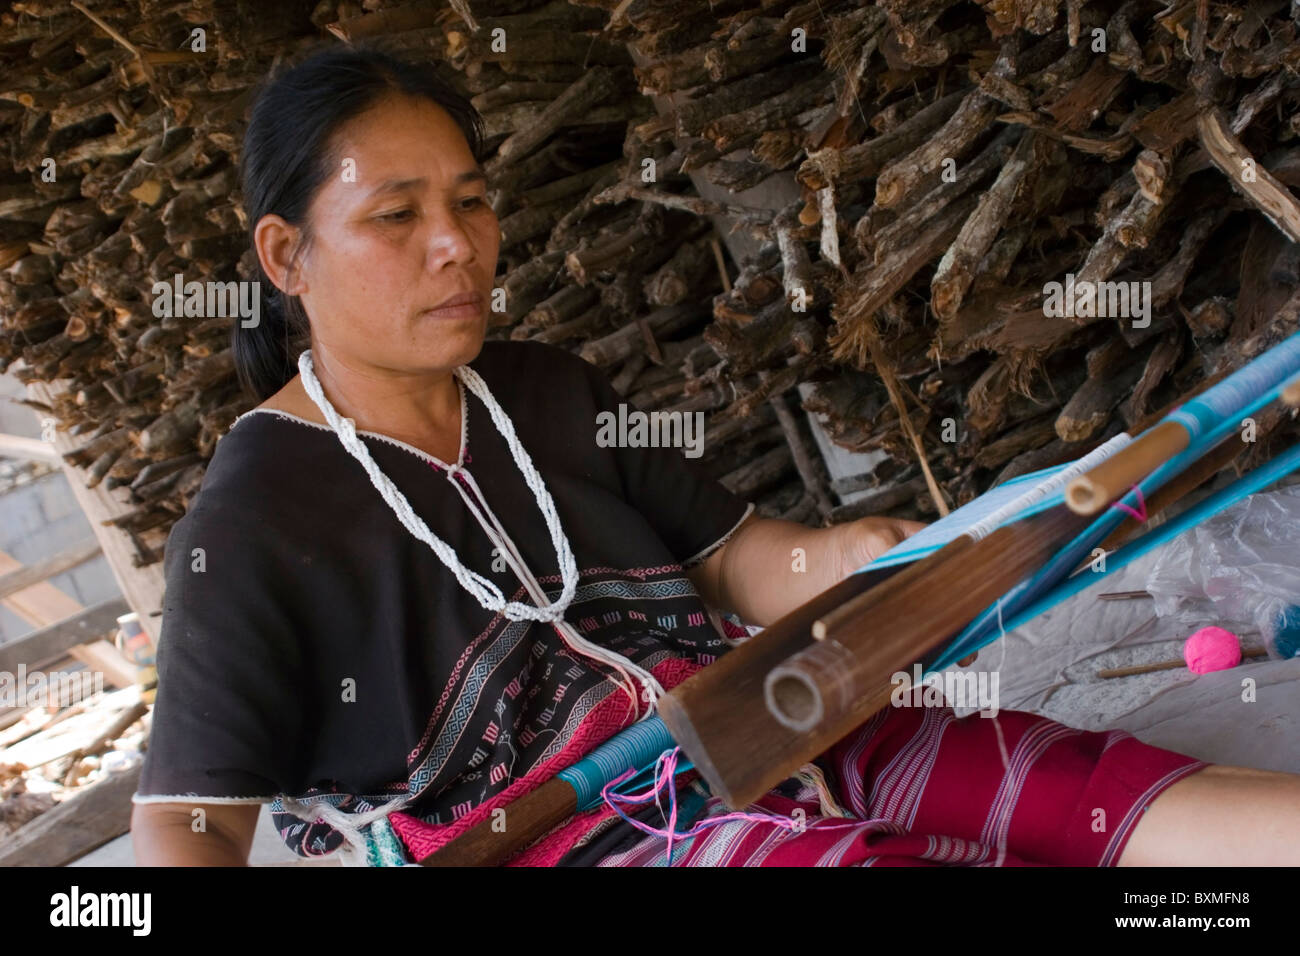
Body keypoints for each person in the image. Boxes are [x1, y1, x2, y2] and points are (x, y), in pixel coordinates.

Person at [130, 45, 1300, 867]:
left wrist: (879, 554)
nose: (457, 246)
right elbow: (185, 823)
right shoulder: (250, 526)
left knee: (1085, 791)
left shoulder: (542, 389)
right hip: (584, 843)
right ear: (284, 254)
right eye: (396, 216)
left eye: (473, 201)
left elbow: (746, 564)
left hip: (766, 719)